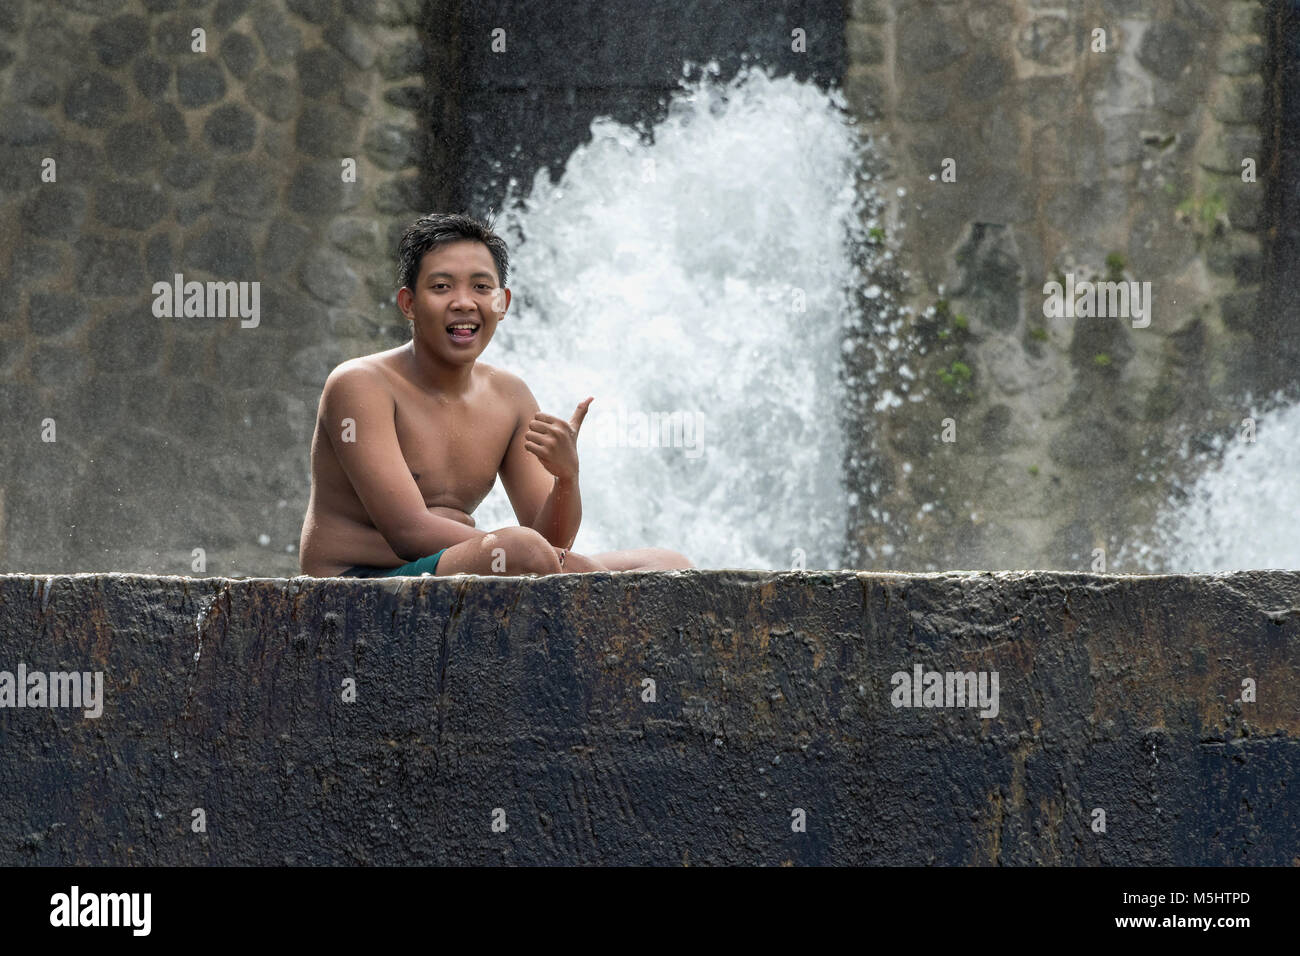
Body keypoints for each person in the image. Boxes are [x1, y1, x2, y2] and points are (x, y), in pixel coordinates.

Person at [298, 212, 693, 578]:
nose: (464, 302)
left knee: (667, 565)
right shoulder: (360, 385)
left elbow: (552, 542)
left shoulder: (510, 396)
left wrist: (567, 478)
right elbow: (407, 532)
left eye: (481, 287)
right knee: (521, 550)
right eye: (441, 287)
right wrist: (525, 551)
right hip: (360, 580)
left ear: (501, 304)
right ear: (409, 304)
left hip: (465, 564)